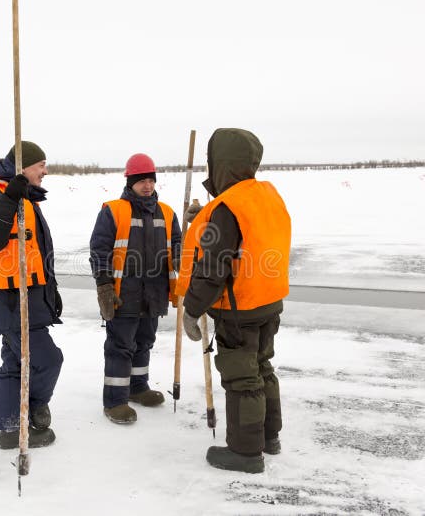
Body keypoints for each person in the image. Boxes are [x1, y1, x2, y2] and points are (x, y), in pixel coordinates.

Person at [176, 128, 291, 473]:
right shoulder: (265, 195)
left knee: (242, 379)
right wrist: (206, 219)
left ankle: (245, 453)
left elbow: (212, 269)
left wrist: (192, 310)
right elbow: (245, 237)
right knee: (262, 367)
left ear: (220, 163)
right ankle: (269, 438)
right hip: (269, 301)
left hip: (239, 308)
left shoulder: (226, 208)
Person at [0, 141, 63, 449]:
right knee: (48, 360)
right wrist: (9, 197)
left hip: (28, 299)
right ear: (23, 168)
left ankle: (9, 429)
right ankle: (32, 408)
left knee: (15, 363)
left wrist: (51, 294)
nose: (45, 171)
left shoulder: (27, 200)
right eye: (40, 165)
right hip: (9, 303)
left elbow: (34, 254)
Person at [89, 153, 182, 424]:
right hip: (123, 292)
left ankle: (137, 387)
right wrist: (104, 286)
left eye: (151, 180)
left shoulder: (167, 212)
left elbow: (177, 245)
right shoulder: (113, 210)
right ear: (130, 182)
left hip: (154, 291)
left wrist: (180, 256)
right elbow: (100, 250)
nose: (147, 186)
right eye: (141, 181)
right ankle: (115, 401)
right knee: (121, 346)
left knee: (144, 342)